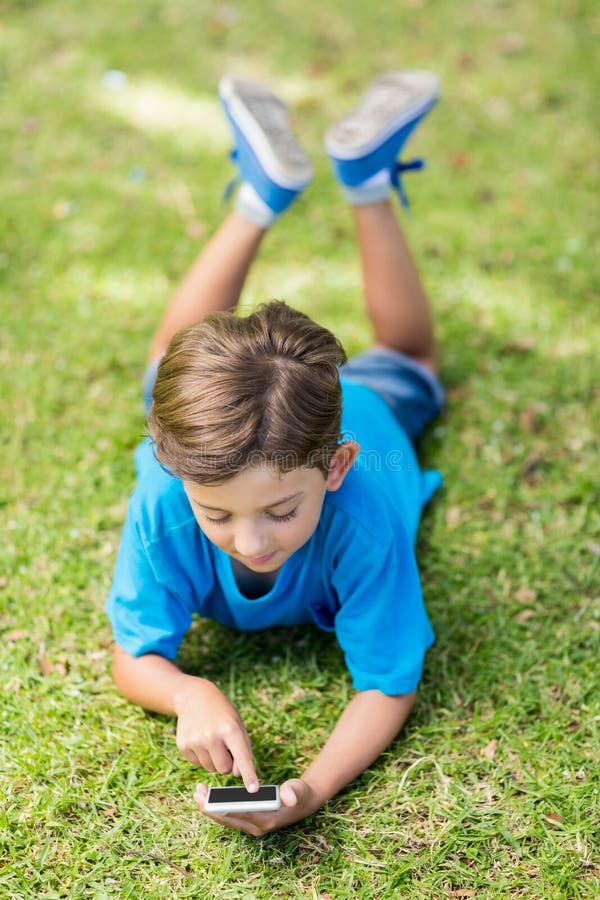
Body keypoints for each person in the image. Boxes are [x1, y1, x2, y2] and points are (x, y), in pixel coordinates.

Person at [106, 70, 445, 836]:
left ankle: (359, 185)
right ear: (174, 469)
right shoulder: (165, 501)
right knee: (169, 368)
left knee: (412, 360)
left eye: (283, 510)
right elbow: (135, 658)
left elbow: (388, 683)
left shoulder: (362, 522)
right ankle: (279, 189)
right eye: (216, 513)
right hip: (260, 410)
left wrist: (315, 788)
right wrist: (189, 692)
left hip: (372, 408)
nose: (252, 541)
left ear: (335, 469)